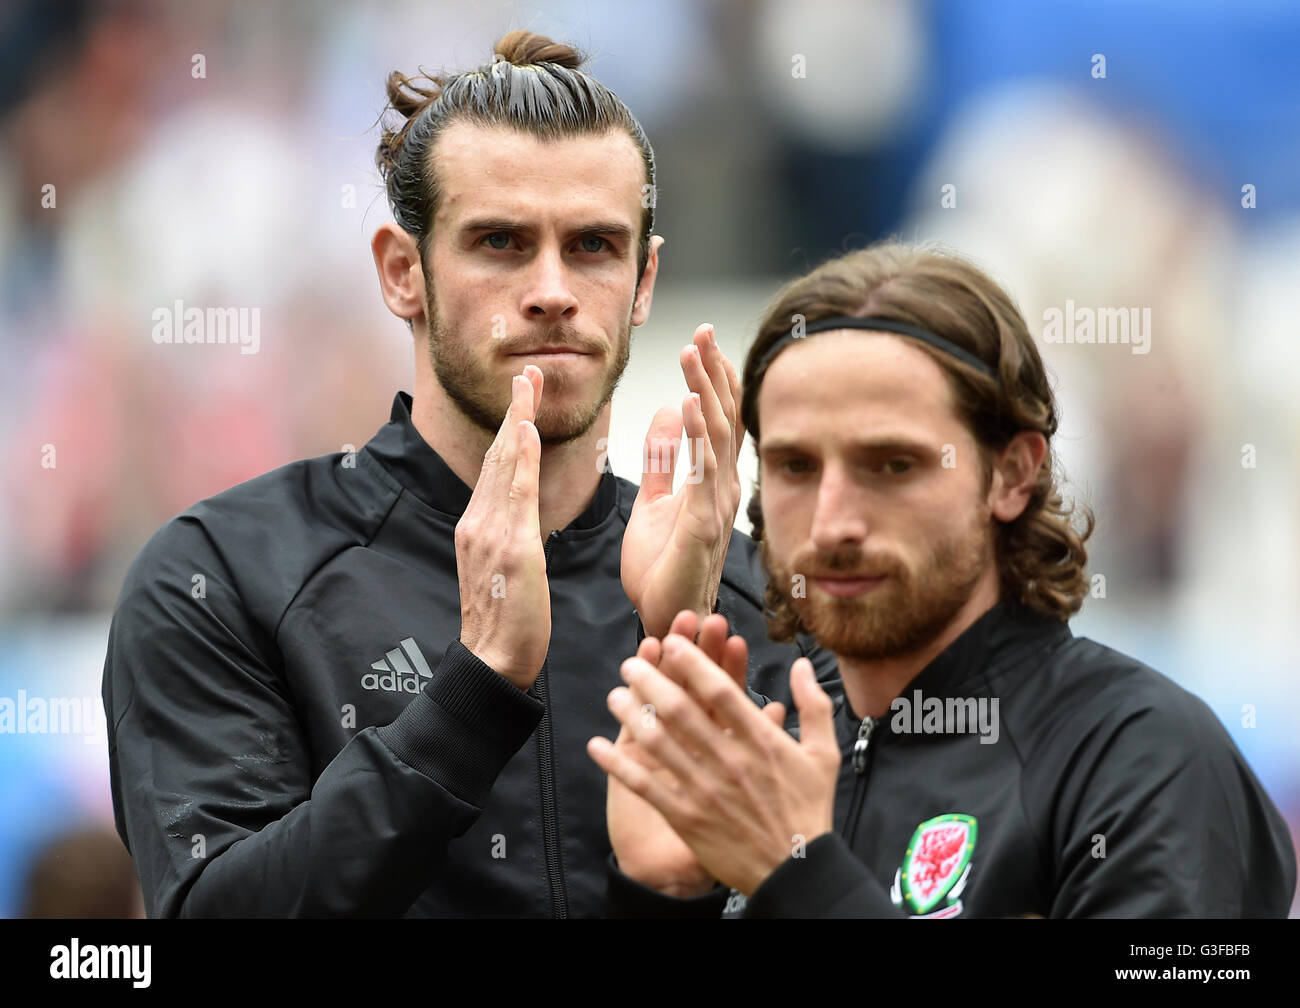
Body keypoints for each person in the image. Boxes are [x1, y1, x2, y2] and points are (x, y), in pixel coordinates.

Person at [101, 30, 838, 918]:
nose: (553, 289)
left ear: (644, 282)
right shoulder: (222, 576)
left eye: (595, 246)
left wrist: (677, 650)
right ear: (403, 272)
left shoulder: (759, 604)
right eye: (500, 242)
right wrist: (477, 685)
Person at [589, 241, 1296, 918]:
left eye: (892, 465)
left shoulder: (1145, 758)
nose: (833, 524)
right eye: (796, 467)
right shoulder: (767, 759)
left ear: (1012, 473)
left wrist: (799, 879)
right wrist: (668, 899)